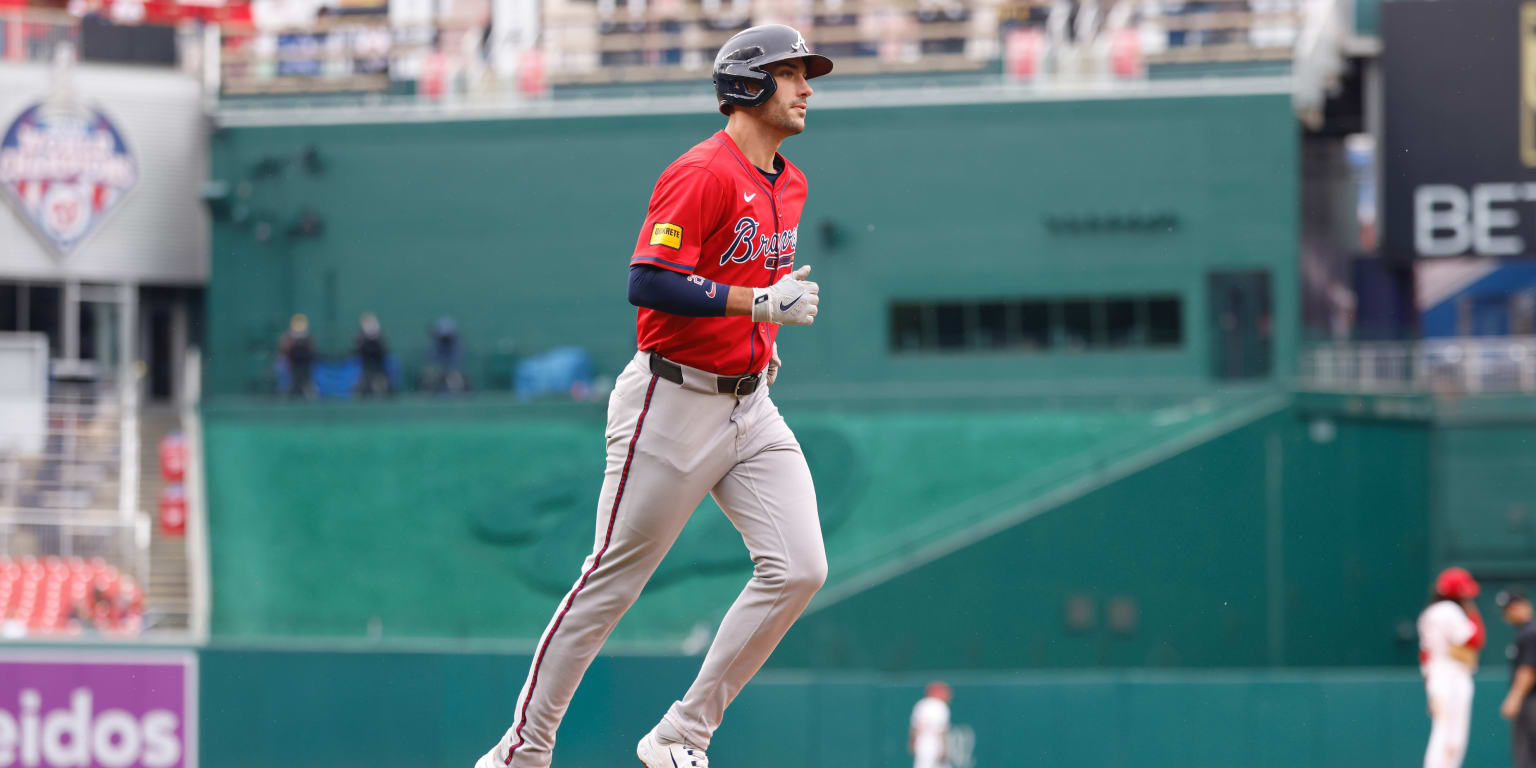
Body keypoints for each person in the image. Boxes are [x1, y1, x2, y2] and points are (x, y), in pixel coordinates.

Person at [475, 24, 831, 768]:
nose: (806, 88)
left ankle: (682, 732)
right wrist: (758, 306)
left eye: (806, 74)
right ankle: (523, 749)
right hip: (672, 402)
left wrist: (759, 340)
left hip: (750, 405)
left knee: (800, 566)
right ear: (747, 84)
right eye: (792, 73)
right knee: (610, 582)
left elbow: (741, 297)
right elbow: (649, 281)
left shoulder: (789, 182)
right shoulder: (701, 171)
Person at [1419, 566, 1486, 768]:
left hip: (1437, 674)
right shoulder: (1449, 610)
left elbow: (1425, 655)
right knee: (1450, 735)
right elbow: (1476, 639)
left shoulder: (1430, 612)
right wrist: (1471, 609)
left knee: (1446, 734)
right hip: (1451, 676)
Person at [1501, 589, 1536, 768]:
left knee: (1527, 754)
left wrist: (1515, 697)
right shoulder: (1525, 631)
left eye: (1512, 607)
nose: (1509, 613)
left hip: (1531, 701)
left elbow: (1529, 668)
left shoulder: (1530, 632)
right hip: (1529, 700)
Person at [910, 681, 952, 768]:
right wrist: (944, 749)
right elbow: (942, 732)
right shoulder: (940, 706)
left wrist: (912, 743)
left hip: (921, 745)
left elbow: (914, 728)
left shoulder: (921, 704)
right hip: (936, 746)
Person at [353, 312, 391, 397]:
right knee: (362, 388)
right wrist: (367, 339)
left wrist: (375, 338)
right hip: (365, 371)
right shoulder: (360, 339)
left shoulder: (380, 339)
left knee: (382, 387)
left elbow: (383, 352)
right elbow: (358, 351)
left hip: (379, 371)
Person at [278, 313, 315, 398]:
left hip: (305, 363)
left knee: (305, 379)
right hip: (292, 363)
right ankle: (290, 393)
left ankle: (306, 393)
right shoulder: (288, 336)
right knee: (292, 379)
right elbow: (284, 349)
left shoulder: (308, 336)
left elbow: (312, 349)